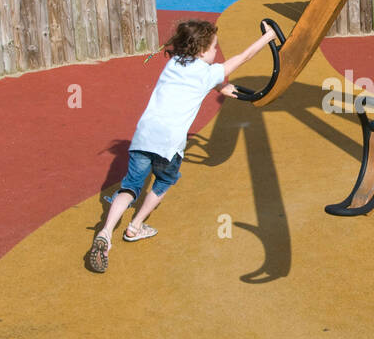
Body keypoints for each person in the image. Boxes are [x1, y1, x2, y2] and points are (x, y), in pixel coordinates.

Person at [86, 19, 278, 273]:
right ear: (201, 51)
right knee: (163, 182)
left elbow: (189, 84)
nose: (216, 53)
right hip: (169, 144)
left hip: (143, 137)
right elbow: (243, 57)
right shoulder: (207, 73)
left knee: (130, 187)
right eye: (213, 48)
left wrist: (220, 86)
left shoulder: (173, 63)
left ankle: (106, 231)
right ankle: (135, 227)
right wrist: (269, 37)